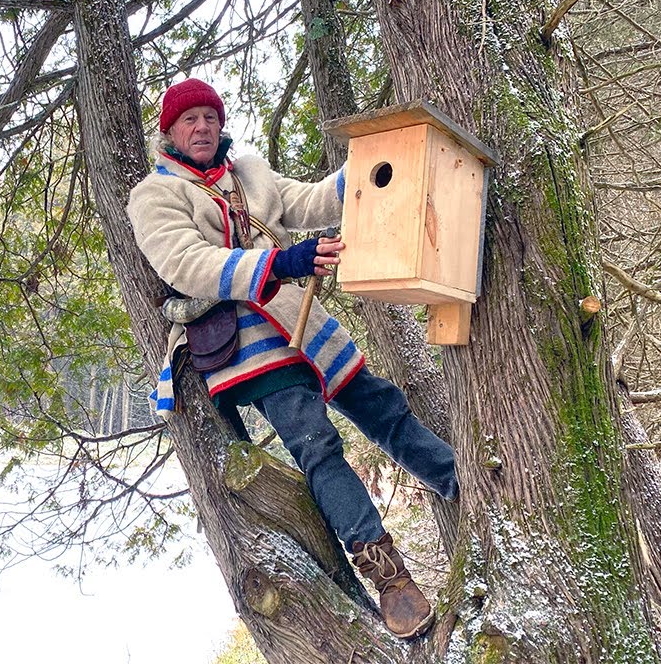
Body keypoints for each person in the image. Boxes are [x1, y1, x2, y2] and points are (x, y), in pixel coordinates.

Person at [126, 78, 458, 639]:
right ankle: (391, 579)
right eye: (190, 120)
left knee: (383, 407)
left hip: (304, 324)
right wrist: (280, 263)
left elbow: (309, 201)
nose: (202, 127)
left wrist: (371, 164)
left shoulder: (249, 171)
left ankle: (459, 483)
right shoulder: (154, 195)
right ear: (171, 132)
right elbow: (186, 264)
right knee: (317, 445)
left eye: (210, 117)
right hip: (246, 342)